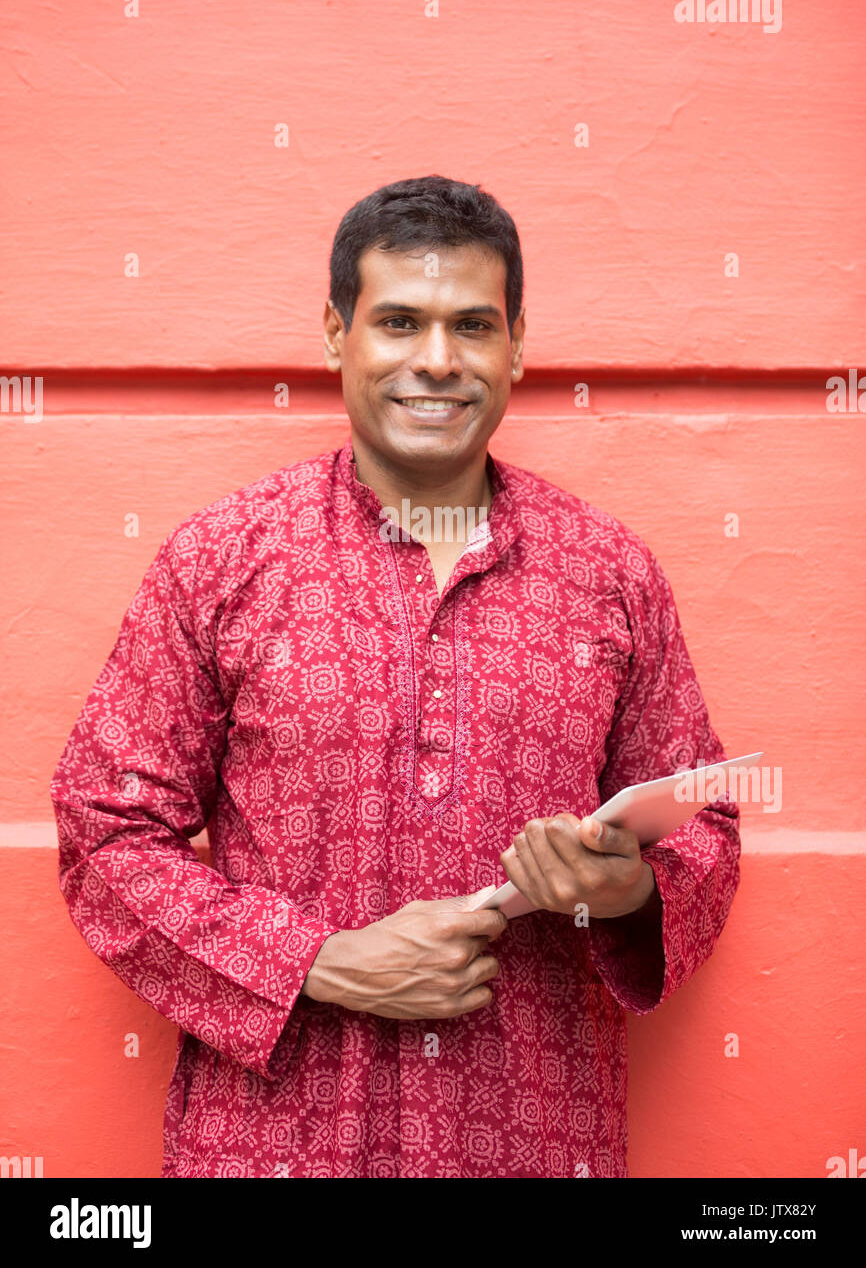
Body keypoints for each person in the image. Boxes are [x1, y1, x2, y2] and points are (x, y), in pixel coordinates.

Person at [49, 174, 740, 1179]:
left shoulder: (610, 573)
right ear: (336, 335)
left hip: (532, 1141)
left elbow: (703, 830)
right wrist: (318, 961)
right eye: (399, 322)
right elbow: (102, 827)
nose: (436, 360)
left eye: (470, 324)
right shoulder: (221, 557)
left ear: (515, 345)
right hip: (270, 1145)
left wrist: (621, 887)